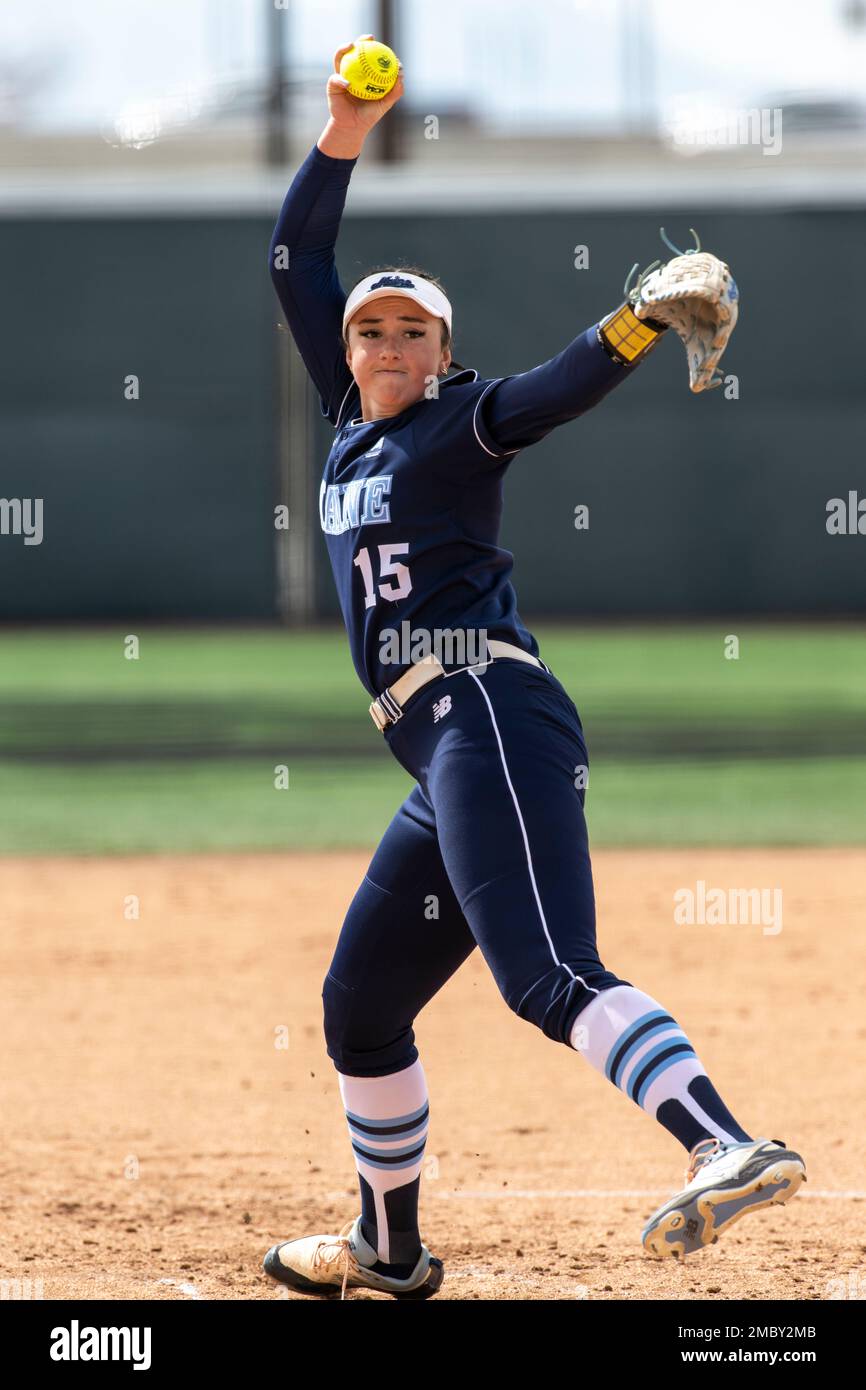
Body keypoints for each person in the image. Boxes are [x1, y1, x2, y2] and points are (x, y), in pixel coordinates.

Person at [262, 35, 805, 1300]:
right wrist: (344, 123)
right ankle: (389, 1251)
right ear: (346, 353)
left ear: (440, 352)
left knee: (544, 972)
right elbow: (295, 255)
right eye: (369, 330)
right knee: (359, 1008)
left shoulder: (459, 419)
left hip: (487, 712)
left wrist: (629, 321)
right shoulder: (350, 432)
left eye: (411, 331)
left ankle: (724, 1142)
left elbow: (553, 390)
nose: (386, 343)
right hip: (435, 745)